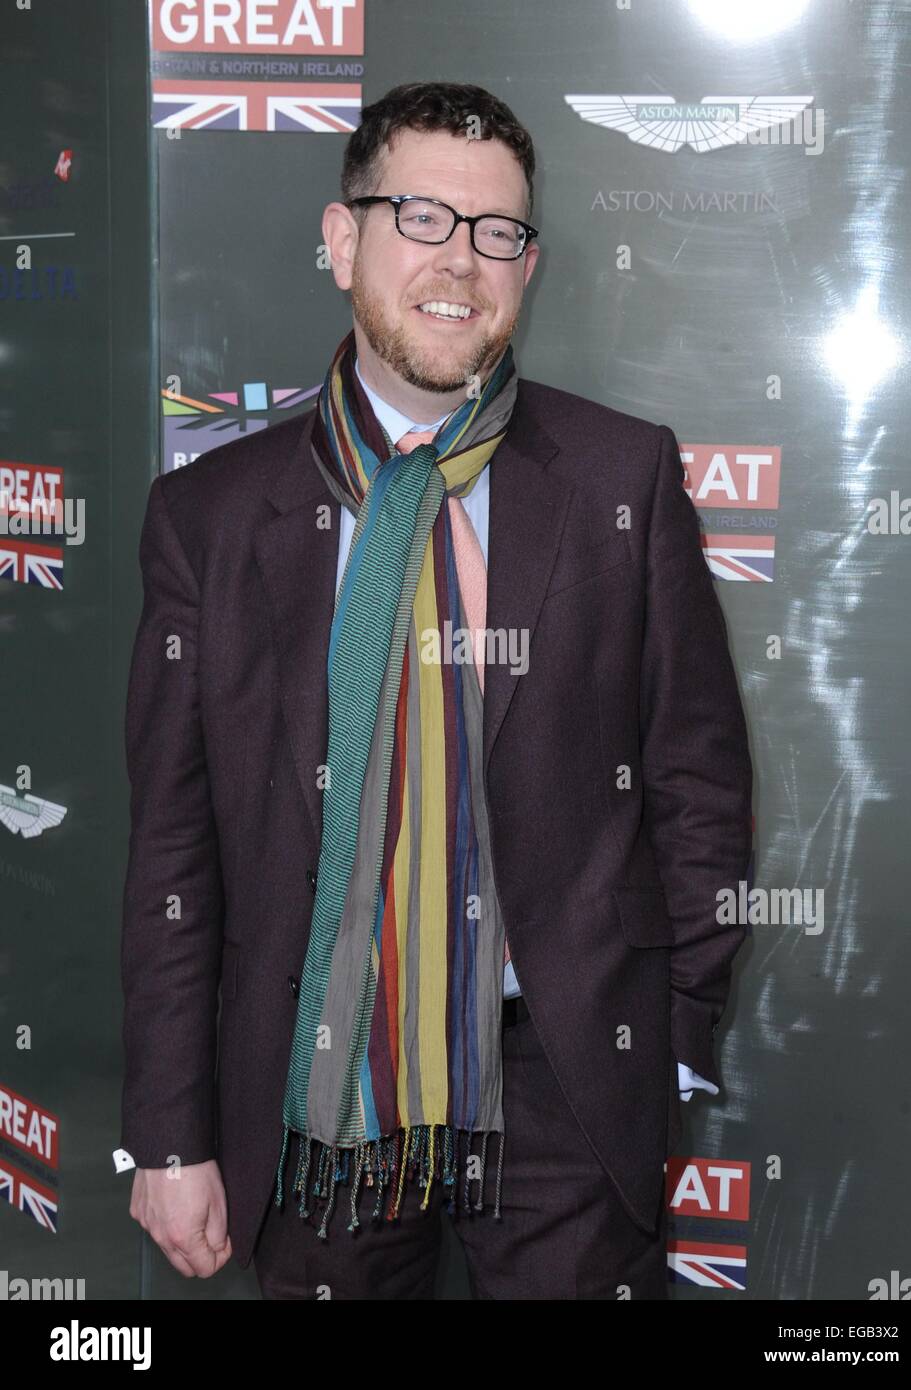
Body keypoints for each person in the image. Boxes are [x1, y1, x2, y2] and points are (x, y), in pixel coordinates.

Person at [120, 81, 753, 1300]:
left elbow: (696, 780)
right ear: (342, 239)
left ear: (528, 265)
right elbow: (172, 850)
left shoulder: (624, 478)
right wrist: (168, 1124)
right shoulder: (206, 519)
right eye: (420, 217)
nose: (461, 261)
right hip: (318, 1094)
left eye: (497, 231)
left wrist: (665, 1042)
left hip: (560, 1088)